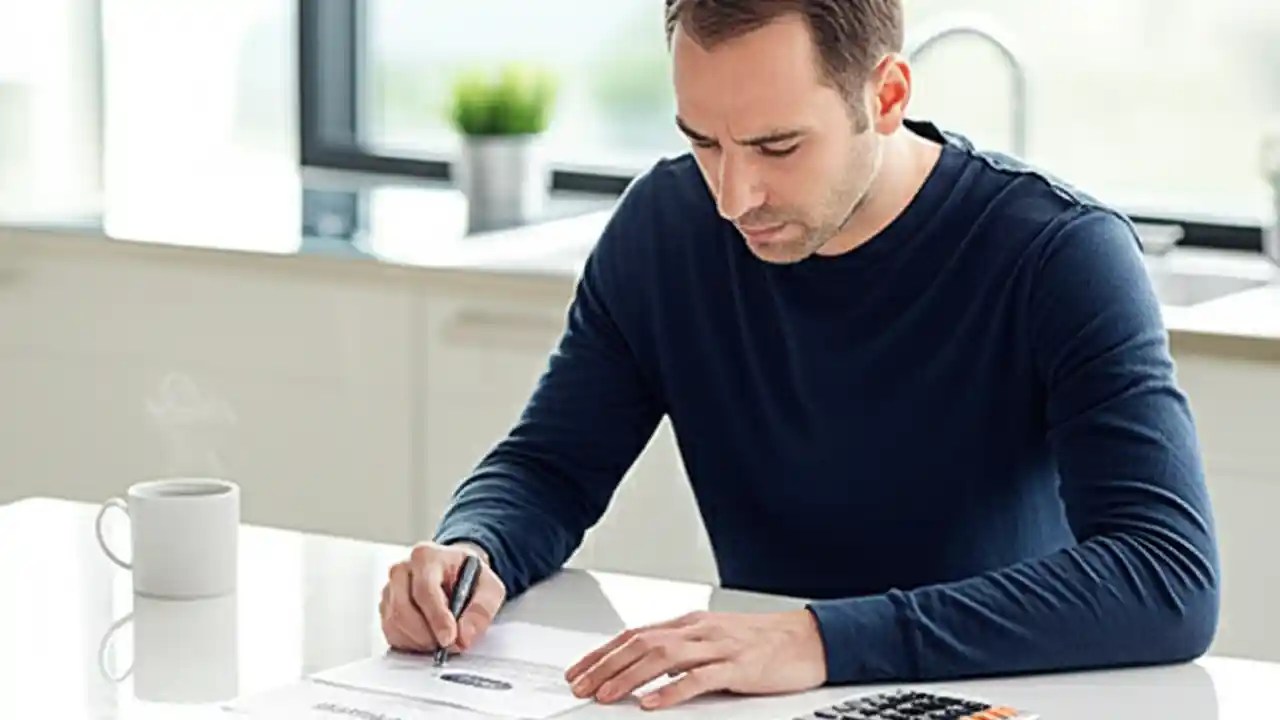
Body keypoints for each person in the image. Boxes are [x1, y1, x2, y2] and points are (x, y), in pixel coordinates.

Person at [379, 0, 1220, 710]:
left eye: (777, 147)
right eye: (705, 141)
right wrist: (475, 549)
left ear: (885, 94)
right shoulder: (664, 230)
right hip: (762, 701)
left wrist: (819, 637)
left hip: (991, 696)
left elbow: (1165, 576)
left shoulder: (1060, 255)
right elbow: (551, 467)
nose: (733, 196)